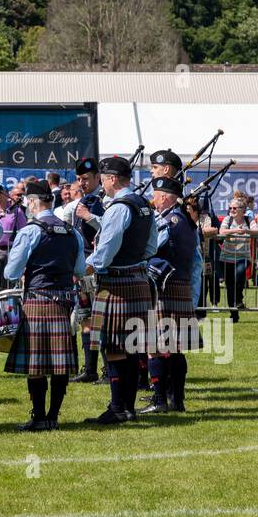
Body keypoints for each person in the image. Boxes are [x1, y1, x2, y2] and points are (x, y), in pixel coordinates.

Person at [0, 178, 86, 430]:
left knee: (36, 364)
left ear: (33, 202)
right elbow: (80, 269)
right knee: (60, 363)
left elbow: (11, 273)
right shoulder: (72, 232)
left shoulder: (30, 230)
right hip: (64, 302)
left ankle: (39, 418)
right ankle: (53, 417)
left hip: (37, 300)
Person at [84, 156, 157, 426]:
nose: (102, 185)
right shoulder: (144, 205)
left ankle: (117, 408)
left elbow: (106, 249)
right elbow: (152, 246)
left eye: (103, 180)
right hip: (138, 279)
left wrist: (87, 267)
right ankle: (128, 408)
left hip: (116, 283)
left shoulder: (118, 208)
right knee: (131, 347)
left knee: (113, 347)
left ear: (112, 179)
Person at [143, 176, 201, 412]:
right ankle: (177, 400)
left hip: (164, 288)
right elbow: (196, 262)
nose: (152, 198)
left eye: (155, 194)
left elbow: (150, 248)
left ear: (165, 196)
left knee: (155, 345)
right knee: (176, 347)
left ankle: (159, 401)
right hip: (182, 286)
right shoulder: (187, 221)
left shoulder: (167, 222)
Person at [61, 157, 105, 384]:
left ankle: (108, 369)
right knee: (85, 319)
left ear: (98, 177)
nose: (81, 183)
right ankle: (89, 369)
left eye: (86, 178)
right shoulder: (82, 201)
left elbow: (107, 231)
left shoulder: (103, 201)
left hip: (97, 267)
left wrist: (89, 217)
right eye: (79, 179)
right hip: (82, 266)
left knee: (102, 320)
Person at [217, 198, 258, 321]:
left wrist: (246, 230)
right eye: (230, 208)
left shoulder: (248, 219)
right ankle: (234, 314)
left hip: (243, 257)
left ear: (243, 210)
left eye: (235, 208)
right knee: (229, 286)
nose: (232, 210)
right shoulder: (227, 219)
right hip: (226, 257)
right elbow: (222, 231)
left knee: (239, 274)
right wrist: (235, 231)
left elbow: (257, 231)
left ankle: (239, 298)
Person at [0, 184, 27, 292]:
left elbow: (23, 229)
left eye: (1, 193)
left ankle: (6, 306)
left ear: (7, 195)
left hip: (10, 250)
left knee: (7, 281)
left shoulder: (16, 210)